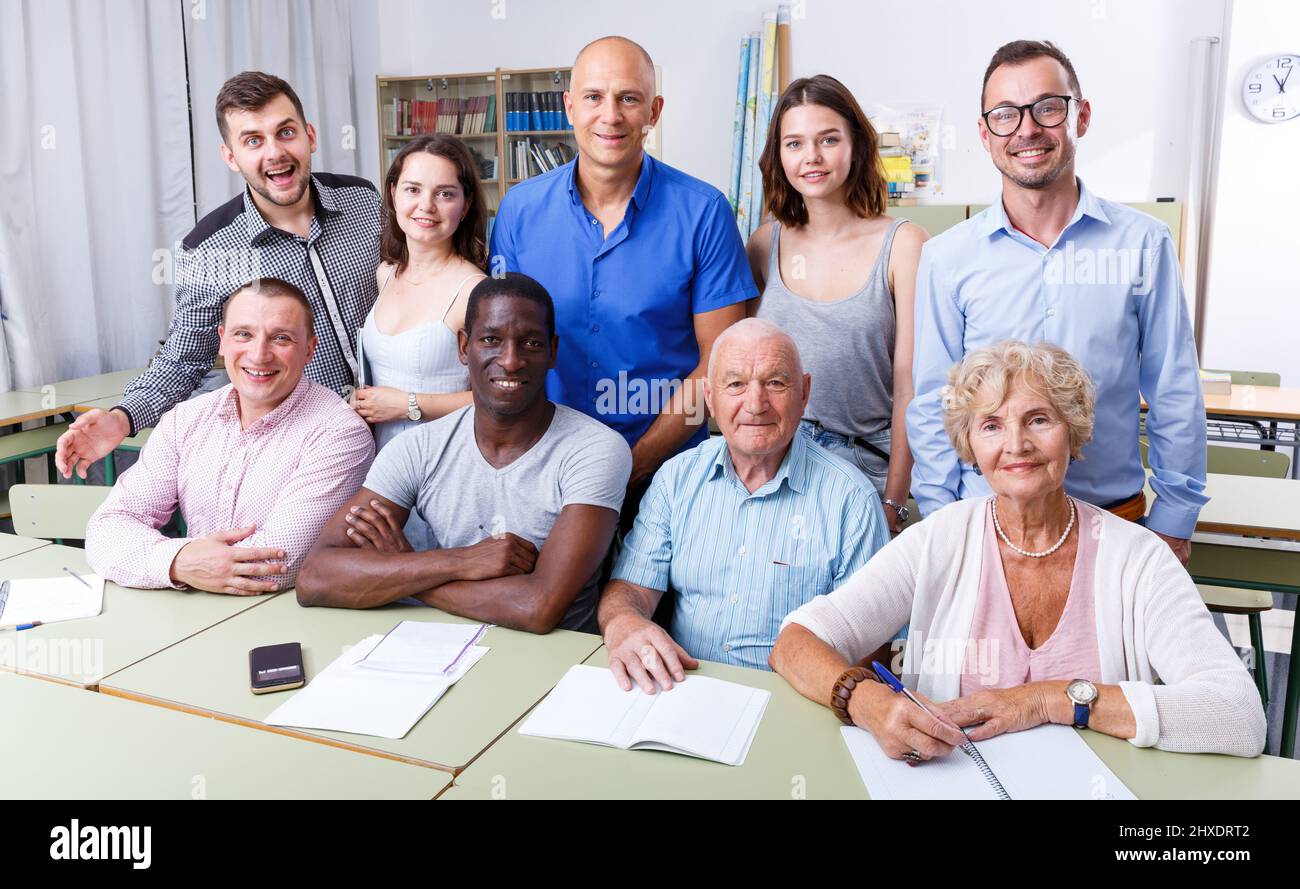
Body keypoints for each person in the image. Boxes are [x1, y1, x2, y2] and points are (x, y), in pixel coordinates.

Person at [772, 341, 1266, 760]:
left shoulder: (1137, 559)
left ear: (1072, 431)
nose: (1016, 444)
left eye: (1038, 420)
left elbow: (1239, 715)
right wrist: (865, 700)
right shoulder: (939, 539)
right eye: (991, 425)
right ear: (969, 443)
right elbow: (795, 642)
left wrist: (1048, 700)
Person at [905, 40, 1207, 564]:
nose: (1026, 129)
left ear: (1080, 116)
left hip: (1117, 525)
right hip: (988, 527)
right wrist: (941, 515)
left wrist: (1174, 518)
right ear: (984, 133)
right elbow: (934, 398)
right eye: (1005, 115)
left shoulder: (1144, 244)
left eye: (1047, 107)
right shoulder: (947, 258)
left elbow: (1174, 388)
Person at [56, 70, 381, 480]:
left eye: (285, 132)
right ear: (231, 156)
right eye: (252, 141)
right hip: (302, 452)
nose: (275, 152)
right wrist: (123, 418)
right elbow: (183, 358)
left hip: (396, 428)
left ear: (310, 135)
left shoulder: (364, 202)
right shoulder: (208, 248)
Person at [489, 35, 757, 524]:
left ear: (654, 110)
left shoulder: (704, 213)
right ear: (569, 107)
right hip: (543, 471)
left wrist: (634, 465)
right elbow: (503, 350)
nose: (609, 115)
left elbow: (718, 364)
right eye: (593, 97)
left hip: (667, 476)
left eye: (628, 98)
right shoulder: (519, 212)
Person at [296, 274, 631, 634]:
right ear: (463, 347)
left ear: (552, 351)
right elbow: (315, 576)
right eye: (491, 340)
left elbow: (537, 607)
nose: (511, 360)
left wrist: (407, 568)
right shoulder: (418, 448)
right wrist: (459, 562)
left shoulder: (595, 449)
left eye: (531, 343)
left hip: (559, 663)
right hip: (444, 646)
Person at [596, 318, 889, 689]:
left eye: (776, 383)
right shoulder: (677, 479)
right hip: (685, 688)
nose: (756, 404)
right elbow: (631, 589)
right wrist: (624, 622)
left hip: (798, 701)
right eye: (735, 384)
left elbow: (876, 648)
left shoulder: (852, 500)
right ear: (709, 399)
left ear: (804, 392)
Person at [85, 278, 374, 594]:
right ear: (222, 341)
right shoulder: (185, 420)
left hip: (293, 624)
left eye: (281, 338)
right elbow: (104, 531)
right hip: (195, 614)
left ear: (309, 350)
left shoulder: (341, 434)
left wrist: (172, 560)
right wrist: (178, 561)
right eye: (244, 335)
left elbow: (277, 569)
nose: (259, 355)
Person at [749, 74, 927, 534]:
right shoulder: (764, 246)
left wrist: (894, 499)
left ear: (856, 145)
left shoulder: (904, 245)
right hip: (775, 465)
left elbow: (910, 388)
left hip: (865, 468)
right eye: (794, 143)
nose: (811, 157)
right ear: (778, 155)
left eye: (828, 139)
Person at [352, 134, 485, 446]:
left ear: (465, 206)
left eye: (445, 194)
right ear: (394, 194)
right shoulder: (385, 275)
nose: (426, 206)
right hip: (383, 464)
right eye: (413, 189)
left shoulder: (474, 291)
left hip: (448, 460)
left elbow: (500, 396)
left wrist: (407, 405)